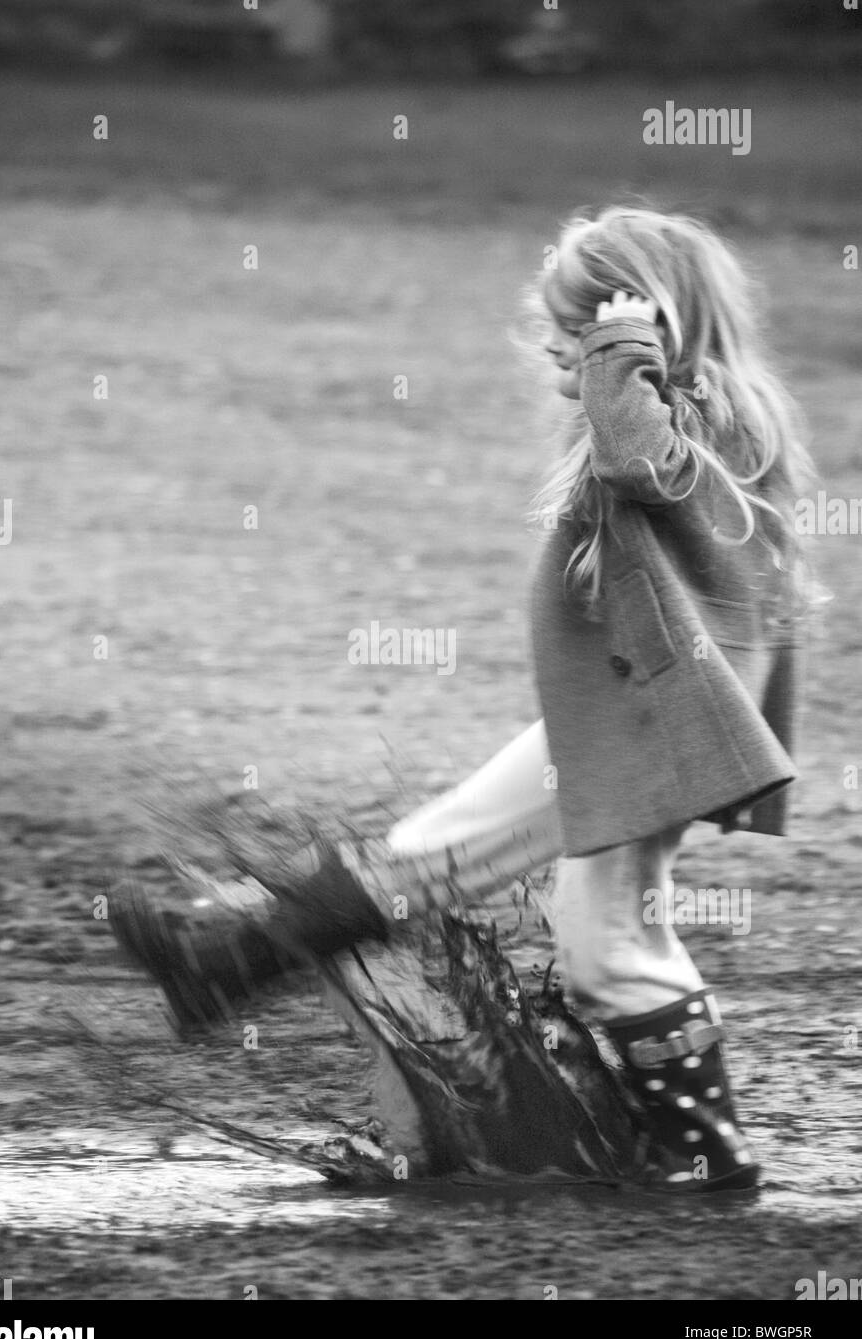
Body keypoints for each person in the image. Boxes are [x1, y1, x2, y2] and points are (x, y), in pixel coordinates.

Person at [117, 206, 818, 1194]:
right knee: (457, 862)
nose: (559, 357)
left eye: (571, 336)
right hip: (630, 718)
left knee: (593, 937)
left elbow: (633, 462)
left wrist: (620, 341)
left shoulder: (681, 429)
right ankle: (220, 960)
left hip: (649, 729)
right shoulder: (689, 419)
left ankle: (705, 1152)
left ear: (645, 334)